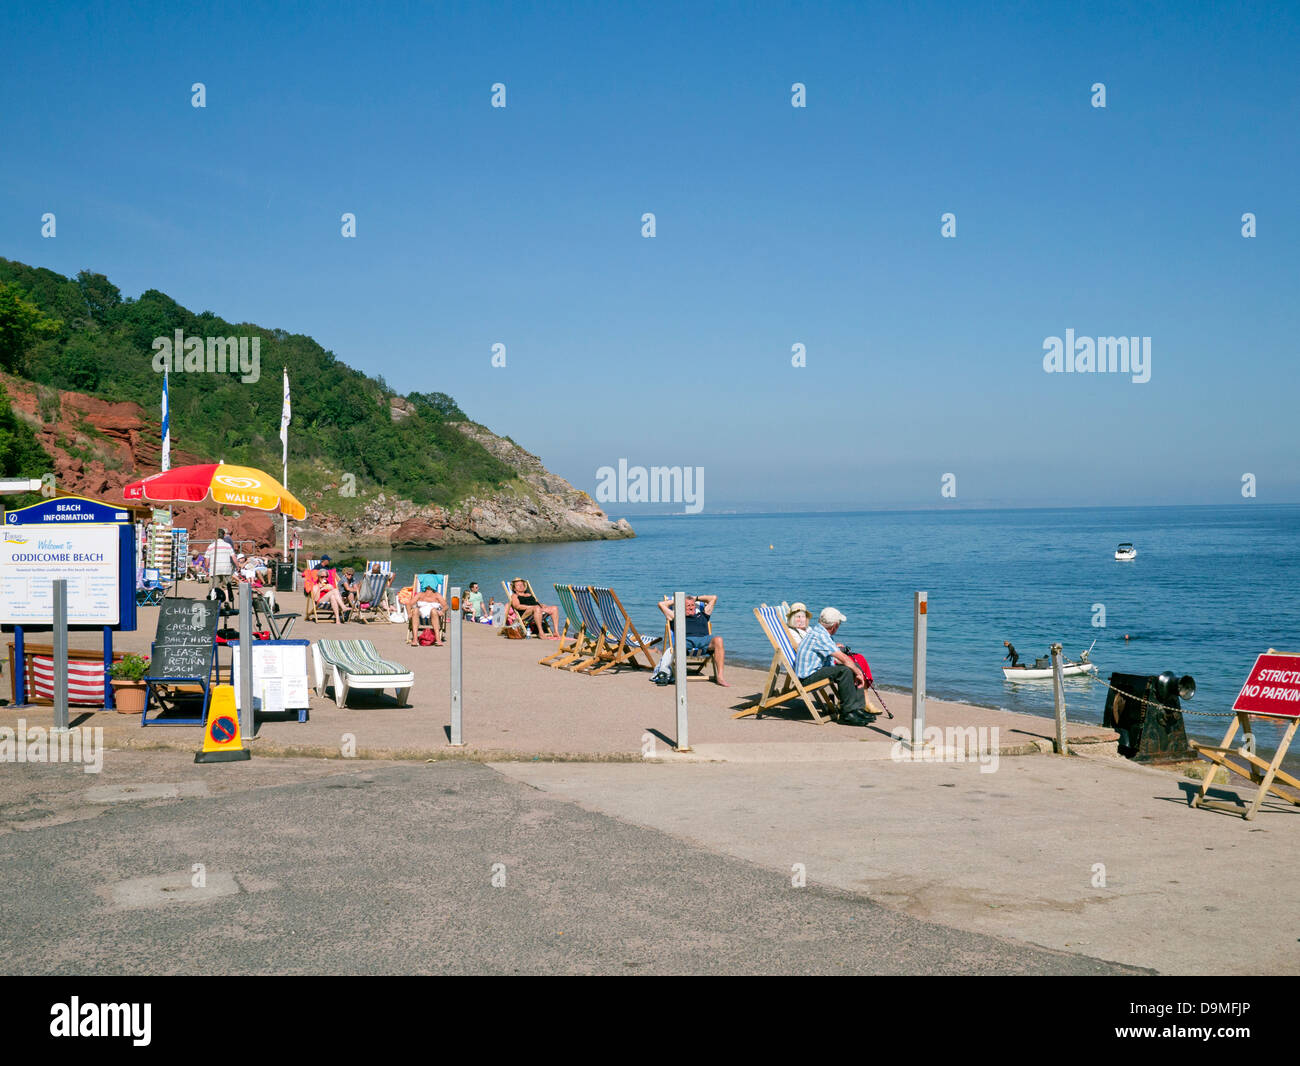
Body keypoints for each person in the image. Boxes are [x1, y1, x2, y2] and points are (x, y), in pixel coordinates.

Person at [792, 607, 872, 726]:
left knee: (853, 665)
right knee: (845, 670)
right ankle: (847, 713)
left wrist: (855, 669)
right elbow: (843, 659)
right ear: (835, 625)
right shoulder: (820, 636)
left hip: (815, 672)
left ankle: (857, 709)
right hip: (807, 679)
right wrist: (858, 673)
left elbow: (836, 659)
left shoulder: (820, 632)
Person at [658, 593, 728, 686]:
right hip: (686, 641)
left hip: (704, 641)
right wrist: (679, 601)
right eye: (688, 606)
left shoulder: (703, 615)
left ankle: (720, 677)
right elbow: (661, 604)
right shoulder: (676, 617)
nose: (691, 607)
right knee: (679, 643)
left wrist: (695, 598)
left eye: (693, 605)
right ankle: (677, 674)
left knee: (718, 639)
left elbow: (713, 598)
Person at [408, 581, 446, 646]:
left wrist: (442, 611)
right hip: (420, 616)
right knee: (415, 610)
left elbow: (446, 606)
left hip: (433, 615)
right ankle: (415, 639)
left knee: (434, 611)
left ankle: (438, 639)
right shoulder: (420, 594)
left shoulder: (437, 595)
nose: (429, 585)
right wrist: (409, 613)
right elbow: (409, 604)